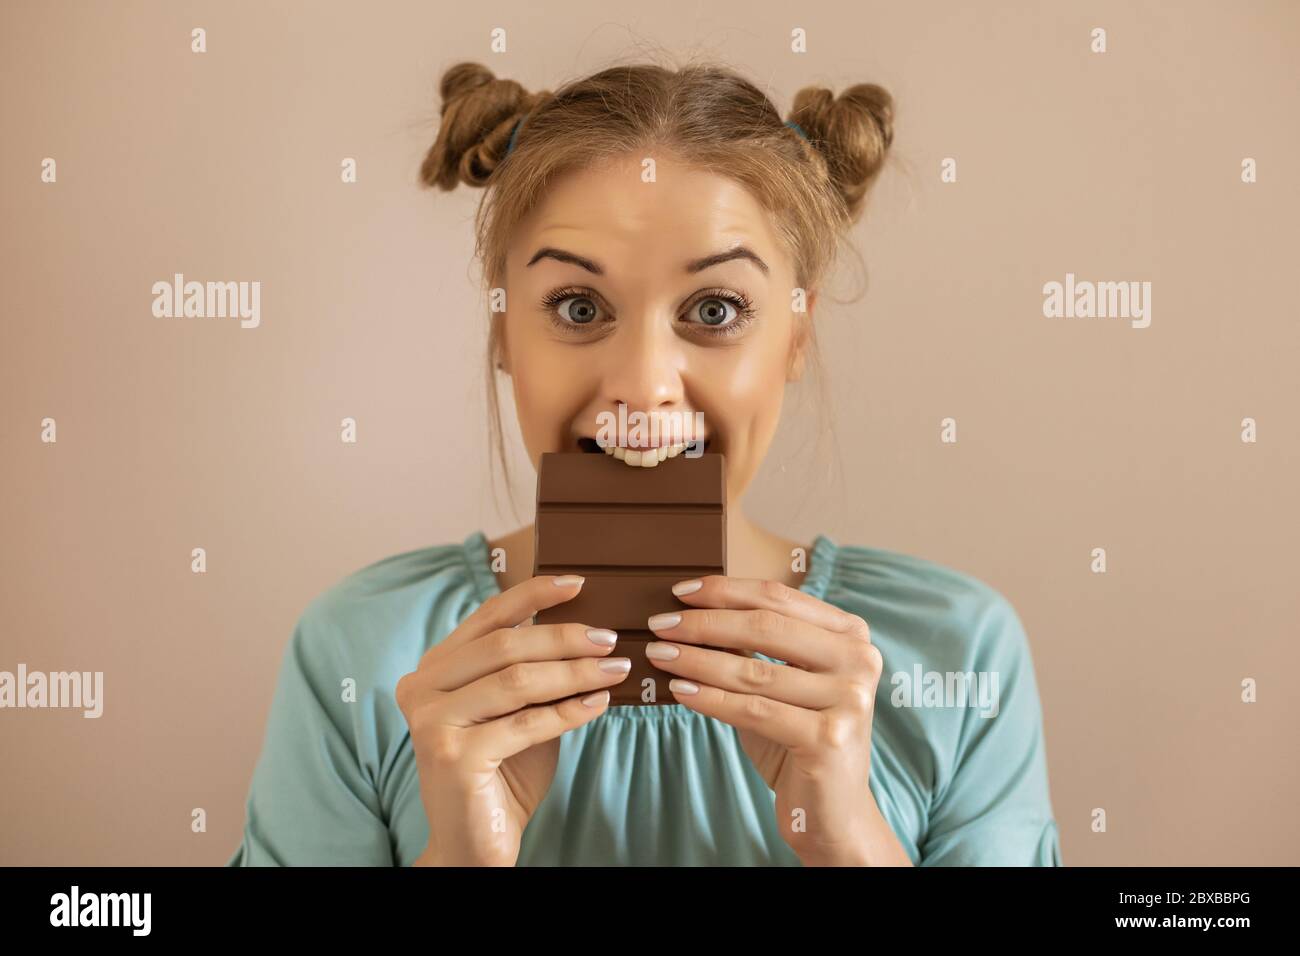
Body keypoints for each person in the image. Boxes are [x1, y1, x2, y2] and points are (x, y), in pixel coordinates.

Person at [227, 59, 1062, 866]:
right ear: (502, 334)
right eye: (578, 306)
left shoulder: (959, 654)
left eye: (714, 308)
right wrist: (462, 860)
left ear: (796, 338)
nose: (641, 387)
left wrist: (847, 844)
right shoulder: (361, 654)